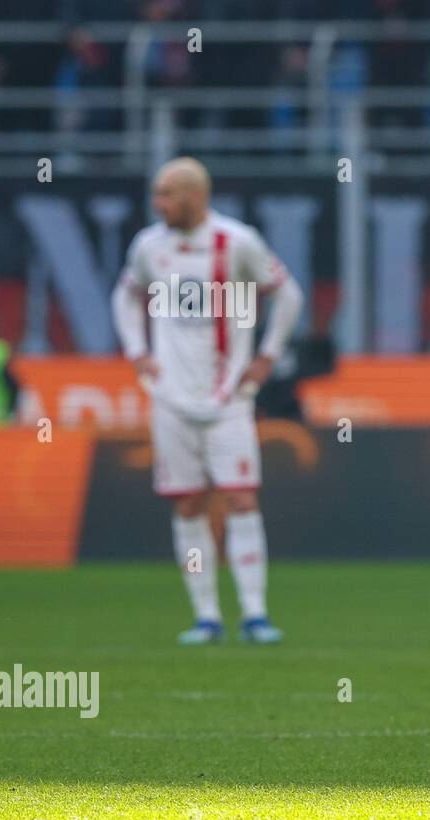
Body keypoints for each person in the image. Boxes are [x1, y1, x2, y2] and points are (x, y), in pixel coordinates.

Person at [112, 157, 302, 646]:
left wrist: (266, 358)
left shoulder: (236, 242)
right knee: (190, 503)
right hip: (170, 397)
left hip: (229, 396)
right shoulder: (150, 246)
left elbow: (288, 296)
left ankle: (256, 614)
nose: (158, 204)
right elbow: (126, 296)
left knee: (240, 497)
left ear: (194, 196)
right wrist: (137, 352)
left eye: (166, 194)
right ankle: (206, 616)